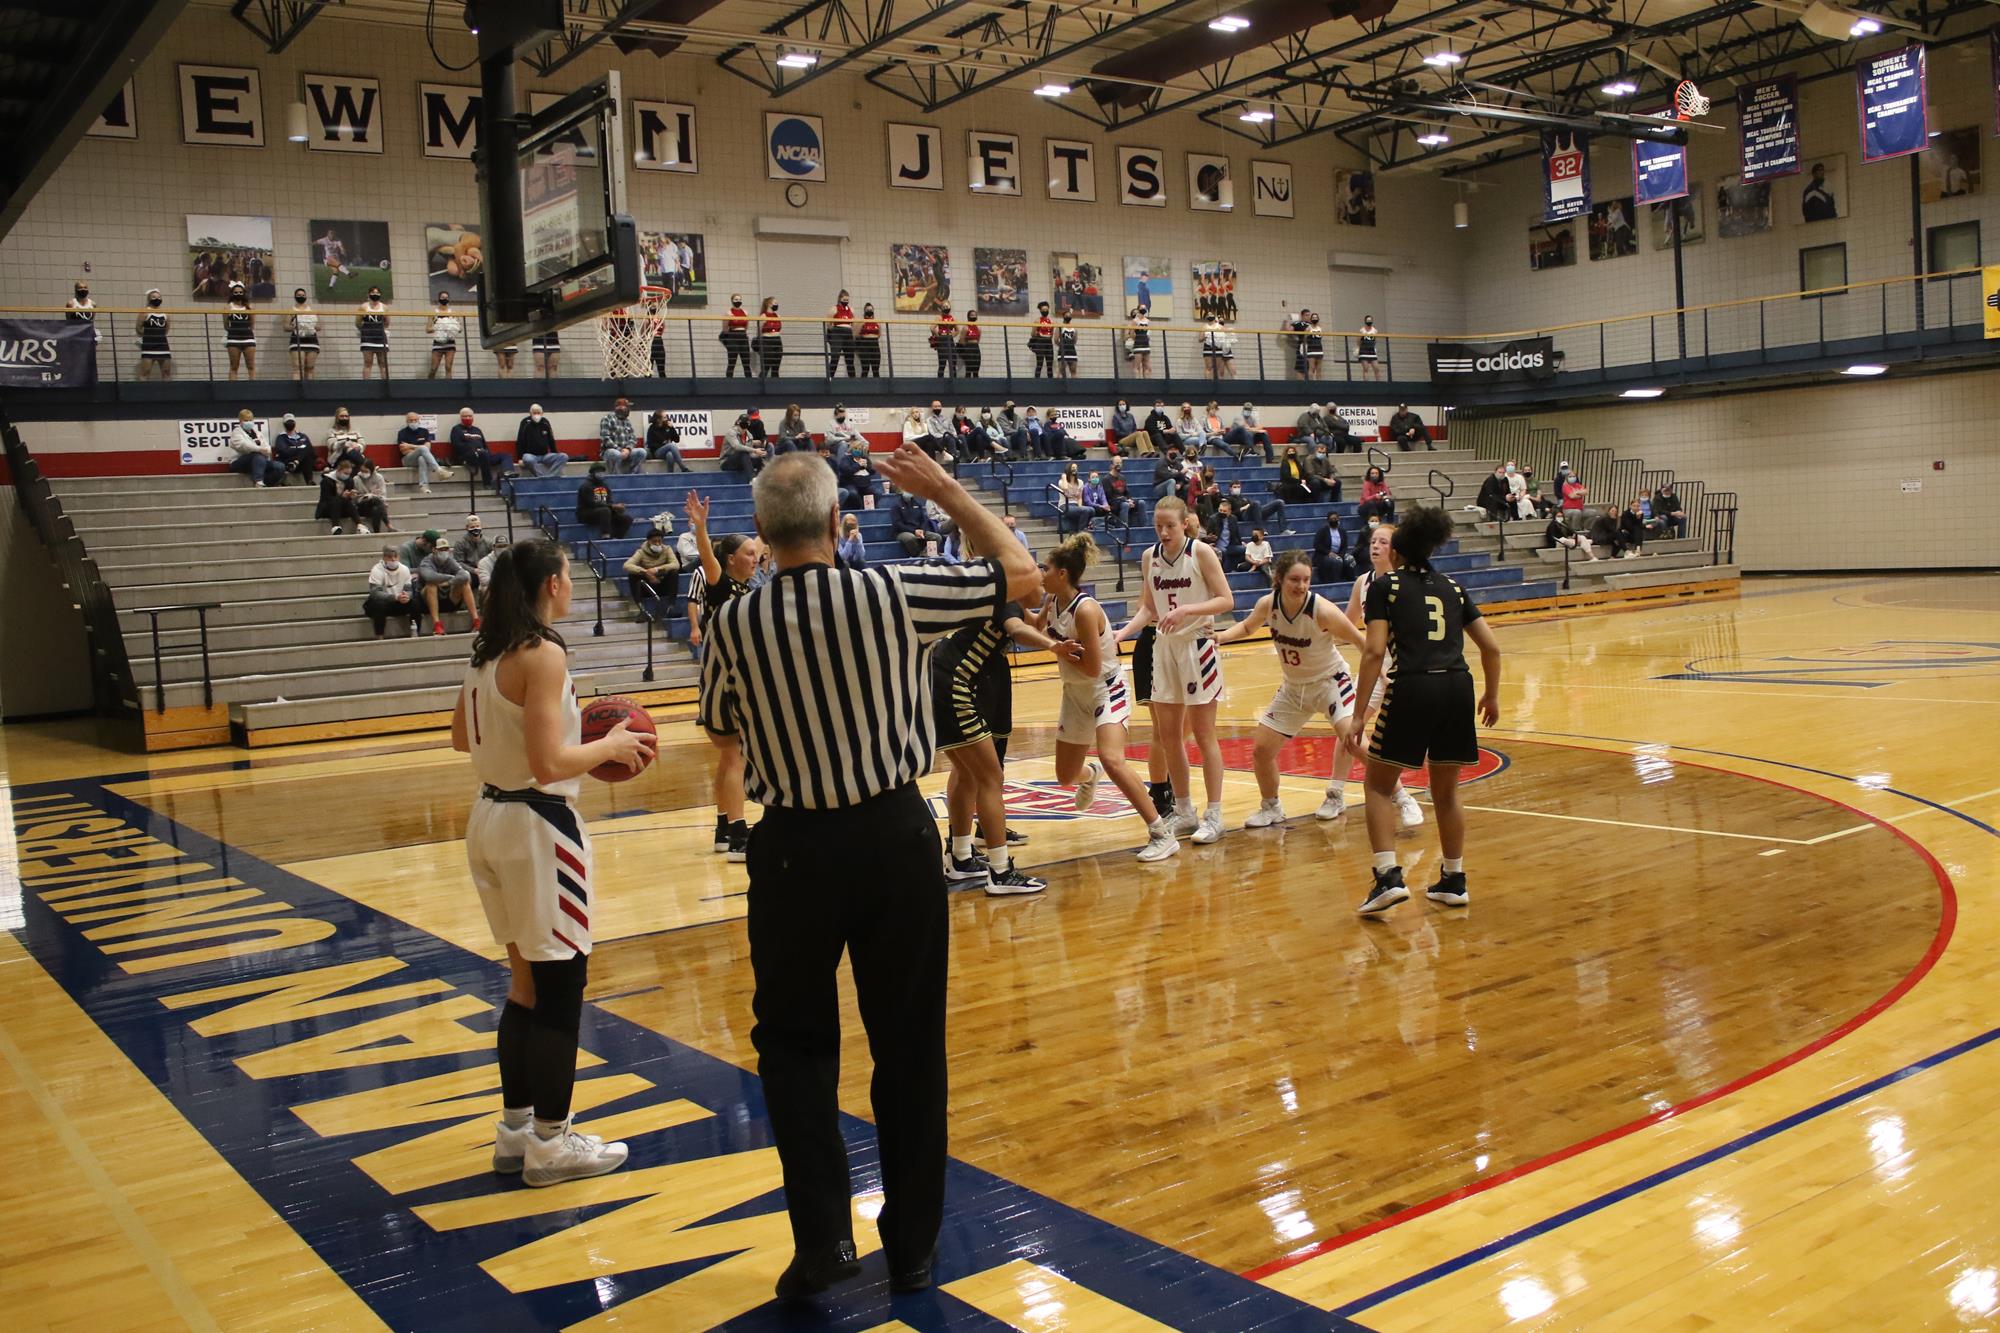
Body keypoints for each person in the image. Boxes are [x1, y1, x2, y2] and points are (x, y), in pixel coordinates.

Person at [697, 447, 1038, 1300]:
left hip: (792, 851)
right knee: (910, 1046)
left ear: (765, 533)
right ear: (834, 520)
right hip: (893, 837)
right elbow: (1022, 574)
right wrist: (948, 491)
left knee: (794, 1051)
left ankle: (823, 1246)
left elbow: (719, 729)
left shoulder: (735, 617)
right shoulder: (890, 589)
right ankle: (914, 1247)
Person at [450, 538, 655, 1189]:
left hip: (488, 819)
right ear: (551, 586)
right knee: (561, 989)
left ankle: (516, 1131)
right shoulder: (543, 653)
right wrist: (610, 743)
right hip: (538, 826)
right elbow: (549, 764)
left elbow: (461, 736)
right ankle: (552, 1142)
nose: (572, 583)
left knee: (525, 987)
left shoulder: (488, 649)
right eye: (567, 574)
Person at [1353, 508, 1502, 915]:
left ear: (1397, 552)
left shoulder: (1386, 587)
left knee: (1379, 785)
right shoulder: (1452, 588)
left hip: (1413, 686)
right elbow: (1490, 647)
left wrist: (1356, 713)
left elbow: (1373, 651)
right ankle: (1453, 879)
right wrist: (1491, 695)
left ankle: (1387, 877)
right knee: (1446, 790)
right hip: (1457, 686)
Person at [1027, 532, 1181, 867]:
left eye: (1046, 568)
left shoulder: (1085, 610)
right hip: (1075, 693)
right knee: (1066, 776)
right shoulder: (1053, 602)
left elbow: (1093, 667)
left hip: (1105, 687)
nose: (1041, 573)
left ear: (1062, 574)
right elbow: (1037, 626)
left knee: (1113, 758)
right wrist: (1004, 605)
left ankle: (1161, 833)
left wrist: (1061, 652)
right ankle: (1089, 774)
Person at [934, 529, 1050, 895]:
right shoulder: (1001, 589)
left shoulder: (1001, 588)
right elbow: (1020, 628)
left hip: (946, 678)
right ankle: (1000, 872)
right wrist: (1055, 646)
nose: (1039, 580)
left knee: (968, 774)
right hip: (954, 684)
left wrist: (1047, 613)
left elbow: (1031, 621)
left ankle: (960, 858)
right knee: (990, 778)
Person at [1216, 552, 1367, 826]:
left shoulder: (1321, 609)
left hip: (1331, 682)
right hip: (1294, 688)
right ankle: (1271, 807)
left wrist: (1380, 671)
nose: (1301, 586)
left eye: (1306, 579)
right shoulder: (1268, 604)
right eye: (1295, 579)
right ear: (1279, 579)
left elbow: (1359, 640)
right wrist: (1221, 637)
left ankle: (1398, 795)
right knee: (1262, 750)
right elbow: (1248, 626)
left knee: (1353, 740)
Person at [1141, 496, 1233, 845]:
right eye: (1158, 526)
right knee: (1168, 737)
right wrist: (1117, 633)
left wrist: (1188, 611)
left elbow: (1226, 599)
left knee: (1204, 734)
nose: (1163, 532)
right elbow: (1148, 608)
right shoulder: (1150, 557)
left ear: (1184, 524)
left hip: (1197, 646)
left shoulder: (1201, 553)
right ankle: (1184, 811)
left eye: (1169, 526)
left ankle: (1215, 814)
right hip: (1164, 647)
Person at [1334, 522, 1427, 838]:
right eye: (1373, 541)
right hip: (1374, 669)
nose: (1375, 546)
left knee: (1397, 745)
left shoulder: (1407, 583)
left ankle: (1403, 797)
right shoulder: (1363, 582)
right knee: (1348, 730)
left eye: (1383, 541)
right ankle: (1337, 794)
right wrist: (1320, 633)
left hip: (1404, 670)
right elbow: (1348, 622)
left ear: (1395, 549)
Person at [685, 491, 763, 861]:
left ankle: (722, 828)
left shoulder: (749, 587)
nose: (756, 558)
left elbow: (764, 542)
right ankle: (738, 837)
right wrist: (701, 527)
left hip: (730, 679)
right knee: (735, 758)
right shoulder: (721, 583)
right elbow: (707, 557)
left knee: (729, 758)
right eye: (749, 554)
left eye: (757, 553)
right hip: (724, 681)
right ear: (731, 559)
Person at [364, 544, 425, 638]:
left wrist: (406, 596)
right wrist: (395, 597)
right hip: (384, 602)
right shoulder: (377, 570)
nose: (393, 559)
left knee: (415, 603)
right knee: (377, 604)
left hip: (399, 602)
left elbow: (408, 589)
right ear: (384, 557)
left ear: (399, 557)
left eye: (395, 557)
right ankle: (379, 636)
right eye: (389, 557)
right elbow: (375, 593)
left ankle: (416, 634)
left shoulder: (404, 569)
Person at [419, 539, 479, 634]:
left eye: (446, 549)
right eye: (441, 549)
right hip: (429, 601)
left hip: (449, 598)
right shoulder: (426, 562)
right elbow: (429, 576)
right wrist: (451, 577)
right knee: (431, 584)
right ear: (434, 550)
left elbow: (465, 576)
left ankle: (476, 621)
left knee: (465, 583)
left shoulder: (450, 561)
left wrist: (448, 582)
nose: (444, 552)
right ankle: (437, 625)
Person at [623, 526, 682, 618]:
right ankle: (641, 610)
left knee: (674, 573)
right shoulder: (641, 552)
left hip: (662, 583)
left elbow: (676, 564)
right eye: (654, 541)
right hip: (648, 586)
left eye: (660, 541)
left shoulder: (667, 549)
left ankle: (671, 608)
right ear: (648, 541)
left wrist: (656, 569)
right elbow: (627, 565)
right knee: (632, 575)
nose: (657, 544)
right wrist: (646, 572)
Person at [227, 409, 283, 487]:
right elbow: (243, 445)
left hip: (259, 462)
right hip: (239, 462)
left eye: (250, 420)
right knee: (258, 456)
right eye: (246, 420)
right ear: (240, 421)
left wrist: (266, 451)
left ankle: (267, 483)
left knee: (279, 466)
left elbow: (267, 446)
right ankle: (258, 481)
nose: (248, 422)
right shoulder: (236, 432)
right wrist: (259, 449)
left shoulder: (257, 433)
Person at [575, 464, 634, 539]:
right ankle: (605, 535)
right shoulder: (586, 486)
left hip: (603, 513)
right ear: (592, 473)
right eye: (598, 472)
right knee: (605, 510)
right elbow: (592, 503)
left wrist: (616, 508)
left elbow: (609, 502)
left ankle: (617, 538)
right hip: (586, 513)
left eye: (603, 472)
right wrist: (612, 506)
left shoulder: (605, 486)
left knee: (627, 519)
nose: (601, 474)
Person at [449, 408, 500, 486]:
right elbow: (457, 446)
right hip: (468, 457)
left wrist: (487, 453)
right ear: (461, 417)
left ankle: (509, 475)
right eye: (465, 416)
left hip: (483, 455)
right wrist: (475, 450)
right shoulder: (456, 430)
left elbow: (484, 445)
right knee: (483, 453)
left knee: (505, 456)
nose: (468, 418)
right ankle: (488, 483)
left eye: (470, 416)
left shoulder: (477, 430)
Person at [134, 288, 174, 380]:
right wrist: (148, 335)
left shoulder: (165, 314)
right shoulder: (144, 312)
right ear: (149, 299)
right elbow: (138, 328)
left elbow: (166, 329)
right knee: (145, 372)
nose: (157, 299)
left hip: (162, 344)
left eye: (159, 297)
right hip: (149, 344)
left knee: (166, 372)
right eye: (154, 297)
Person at [517, 404, 565, 478]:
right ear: (530, 413)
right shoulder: (525, 423)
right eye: (534, 413)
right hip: (531, 456)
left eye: (538, 413)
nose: (536, 415)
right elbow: (520, 440)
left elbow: (551, 440)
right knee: (527, 459)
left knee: (563, 456)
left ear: (542, 413)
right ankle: (541, 477)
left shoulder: (545, 422)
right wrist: (520, 458)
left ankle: (550, 476)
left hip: (545, 456)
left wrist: (555, 452)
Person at [595, 398, 640, 474]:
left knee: (641, 452)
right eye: (627, 407)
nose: (629, 409)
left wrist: (628, 449)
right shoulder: (607, 418)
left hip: (626, 451)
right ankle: (616, 478)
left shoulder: (627, 421)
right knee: (615, 454)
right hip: (610, 451)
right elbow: (605, 438)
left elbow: (633, 438)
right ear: (620, 407)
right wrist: (619, 449)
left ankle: (633, 476)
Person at [891, 484, 938, 556]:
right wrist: (913, 531)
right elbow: (897, 524)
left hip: (918, 531)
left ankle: (924, 554)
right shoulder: (896, 506)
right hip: (902, 532)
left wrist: (922, 530)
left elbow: (923, 520)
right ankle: (917, 556)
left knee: (936, 537)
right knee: (910, 538)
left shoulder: (917, 504)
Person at [221, 283, 256, 380]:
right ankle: (232, 391)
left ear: (244, 293)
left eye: (240, 292)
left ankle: (253, 389)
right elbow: (226, 324)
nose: (238, 294)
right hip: (233, 339)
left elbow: (252, 324)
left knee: (251, 366)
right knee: (234, 366)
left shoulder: (250, 308)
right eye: (236, 292)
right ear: (232, 294)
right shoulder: (227, 308)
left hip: (248, 339)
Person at [722, 408, 770, 476]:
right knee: (743, 453)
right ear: (738, 422)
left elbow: (749, 454)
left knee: (759, 460)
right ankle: (752, 479)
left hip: (741, 462)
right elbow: (737, 446)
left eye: (748, 422)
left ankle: (759, 480)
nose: (747, 423)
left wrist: (759, 454)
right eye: (745, 422)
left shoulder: (749, 435)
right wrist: (754, 450)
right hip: (727, 461)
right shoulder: (731, 432)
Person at [350, 459, 392, 533]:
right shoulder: (356, 479)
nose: (363, 473)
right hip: (362, 505)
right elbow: (355, 499)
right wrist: (369, 495)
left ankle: (376, 532)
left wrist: (373, 496)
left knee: (376, 508)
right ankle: (389, 525)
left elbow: (383, 494)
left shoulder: (378, 477)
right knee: (377, 501)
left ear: (371, 470)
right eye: (362, 471)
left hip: (376, 505)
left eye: (366, 471)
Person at [272, 413, 316, 485]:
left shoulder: (303, 436)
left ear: (295, 423)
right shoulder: (281, 437)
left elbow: (310, 450)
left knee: (307, 455)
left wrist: (295, 450)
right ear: (284, 424)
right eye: (288, 422)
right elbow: (284, 451)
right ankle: (295, 463)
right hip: (288, 462)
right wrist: (299, 448)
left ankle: (309, 481)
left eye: (291, 422)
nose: (290, 424)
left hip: (300, 463)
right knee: (304, 451)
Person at [318, 460, 360, 534]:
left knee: (347, 502)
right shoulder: (326, 480)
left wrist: (351, 496)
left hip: (342, 508)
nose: (347, 475)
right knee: (336, 501)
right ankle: (335, 526)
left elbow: (347, 499)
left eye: (349, 474)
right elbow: (326, 498)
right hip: (328, 508)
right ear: (338, 470)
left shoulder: (349, 481)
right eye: (345, 473)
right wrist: (341, 496)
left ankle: (360, 524)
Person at [1311, 512, 1355, 583]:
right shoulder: (1323, 531)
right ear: (1328, 520)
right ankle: (1335, 582)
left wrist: (1341, 555)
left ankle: (1351, 581)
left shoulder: (1342, 531)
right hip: (1324, 555)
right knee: (1336, 561)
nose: (1334, 520)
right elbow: (1316, 545)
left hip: (1339, 554)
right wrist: (1329, 553)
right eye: (1332, 519)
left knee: (1350, 560)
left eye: (1336, 519)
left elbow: (1344, 546)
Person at [356, 287, 390, 379]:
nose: (375, 294)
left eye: (377, 292)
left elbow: (387, 322)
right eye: (373, 292)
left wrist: (382, 330)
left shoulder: (385, 307)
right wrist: (366, 330)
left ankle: (385, 385)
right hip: (367, 337)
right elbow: (358, 323)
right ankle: (367, 386)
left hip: (380, 338)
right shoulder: (363, 307)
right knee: (368, 362)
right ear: (369, 294)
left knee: (383, 363)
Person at [428, 292, 461, 378]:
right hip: (438, 343)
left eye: (446, 297)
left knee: (448, 367)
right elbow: (428, 329)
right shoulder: (433, 313)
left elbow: (459, 329)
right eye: (442, 297)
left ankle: (449, 388)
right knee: (433, 368)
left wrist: (452, 328)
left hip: (450, 343)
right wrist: (439, 326)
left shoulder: (452, 313)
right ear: (439, 299)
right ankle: (429, 386)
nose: (444, 299)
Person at [825, 290, 856, 377]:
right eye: (844, 299)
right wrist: (835, 330)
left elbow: (853, 322)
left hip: (848, 334)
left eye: (847, 300)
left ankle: (853, 381)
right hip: (837, 333)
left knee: (850, 359)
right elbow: (828, 323)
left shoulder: (851, 310)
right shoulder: (834, 309)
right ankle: (830, 378)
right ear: (840, 299)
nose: (846, 301)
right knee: (835, 357)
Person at [721, 293, 753, 376]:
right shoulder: (728, 313)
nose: (738, 301)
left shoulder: (746, 312)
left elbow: (746, 326)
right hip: (733, 336)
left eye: (739, 300)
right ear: (732, 301)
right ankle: (729, 383)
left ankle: (750, 383)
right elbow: (724, 328)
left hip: (743, 336)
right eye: (736, 300)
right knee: (732, 362)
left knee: (746, 363)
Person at [753, 298, 784, 376]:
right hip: (767, 340)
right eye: (775, 303)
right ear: (769, 304)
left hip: (777, 340)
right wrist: (758, 342)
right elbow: (759, 331)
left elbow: (779, 329)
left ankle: (775, 385)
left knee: (776, 368)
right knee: (766, 367)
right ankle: (761, 386)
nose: (777, 304)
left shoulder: (778, 315)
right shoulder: (763, 316)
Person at [855, 303, 883, 377]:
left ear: (873, 311)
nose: (869, 311)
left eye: (871, 310)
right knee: (865, 369)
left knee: (876, 369)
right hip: (865, 345)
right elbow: (856, 334)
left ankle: (878, 387)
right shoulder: (861, 322)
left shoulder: (877, 323)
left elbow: (879, 335)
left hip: (875, 345)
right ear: (864, 311)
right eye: (867, 310)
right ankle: (863, 387)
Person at [1028, 302, 1054, 377]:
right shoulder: (1037, 321)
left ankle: (1050, 381)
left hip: (1048, 342)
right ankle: (1037, 382)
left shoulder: (1051, 321)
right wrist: (1039, 335)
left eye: (1046, 309)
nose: (1045, 311)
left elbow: (1051, 333)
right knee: (1040, 363)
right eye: (1043, 309)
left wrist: (1047, 337)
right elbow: (1032, 333)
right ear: (1040, 310)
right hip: (1040, 342)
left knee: (1050, 365)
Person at [930, 305, 957, 376]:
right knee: (943, 364)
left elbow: (957, 330)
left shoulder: (951, 318)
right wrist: (939, 336)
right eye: (944, 307)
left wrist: (951, 336)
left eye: (947, 307)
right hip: (943, 340)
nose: (946, 309)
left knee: (952, 363)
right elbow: (932, 328)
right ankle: (941, 383)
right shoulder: (940, 317)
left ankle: (953, 381)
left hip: (948, 339)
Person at [957, 311, 982, 377]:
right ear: (968, 316)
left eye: (975, 315)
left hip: (976, 348)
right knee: (969, 368)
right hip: (968, 348)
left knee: (976, 368)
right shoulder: (965, 328)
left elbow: (978, 339)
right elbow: (962, 340)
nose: (973, 316)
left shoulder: (978, 328)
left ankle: (976, 384)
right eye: (971, 315)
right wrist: (965, 351)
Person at [1357, 315, 1381, 380]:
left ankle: (1379, 383)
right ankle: (1366, 383)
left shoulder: (1374, 330)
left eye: (1370, 320)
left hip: (1371, 350)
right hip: (1363, 350)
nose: (1369, 322)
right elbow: (1358, 340)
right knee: (1366, 368)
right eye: (1368, 320)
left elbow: (1375, 340)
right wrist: (1360, 348)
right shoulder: (1362, 330)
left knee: (1376, 368)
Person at [1056, 313, 1079, 377]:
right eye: (1066, 315)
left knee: (1073, 371)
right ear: (1063, 316)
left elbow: (1075, 340)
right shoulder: (1060, 327)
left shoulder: (1074, 328)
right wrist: (1061, 346)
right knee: (1061, 371)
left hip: (1072, 351)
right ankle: (1058, 386)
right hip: (1063, 351)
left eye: (1069, 315)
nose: (1068, 316)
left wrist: (1069, 345)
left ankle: (1074, 386)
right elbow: (1056, 339)